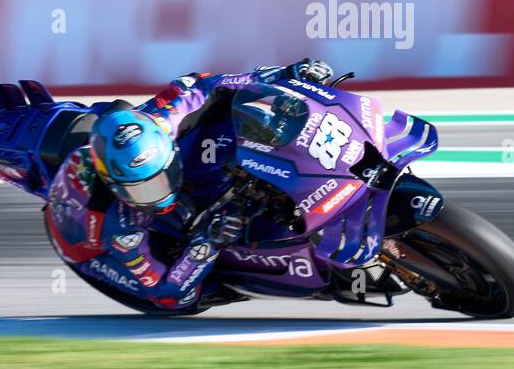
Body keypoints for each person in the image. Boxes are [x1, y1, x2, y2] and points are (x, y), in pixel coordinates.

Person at [44, 59, 332, 310]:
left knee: (225, 122)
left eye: (161, 177)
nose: (158, 193)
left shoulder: (164, 119)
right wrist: (206, 243)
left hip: (119, 151)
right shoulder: (122, 231)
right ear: (117, 187)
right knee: (195, 296)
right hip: (91, 248)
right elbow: (167, 293)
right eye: (142, 189)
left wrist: (285, 73)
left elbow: (206, 84)